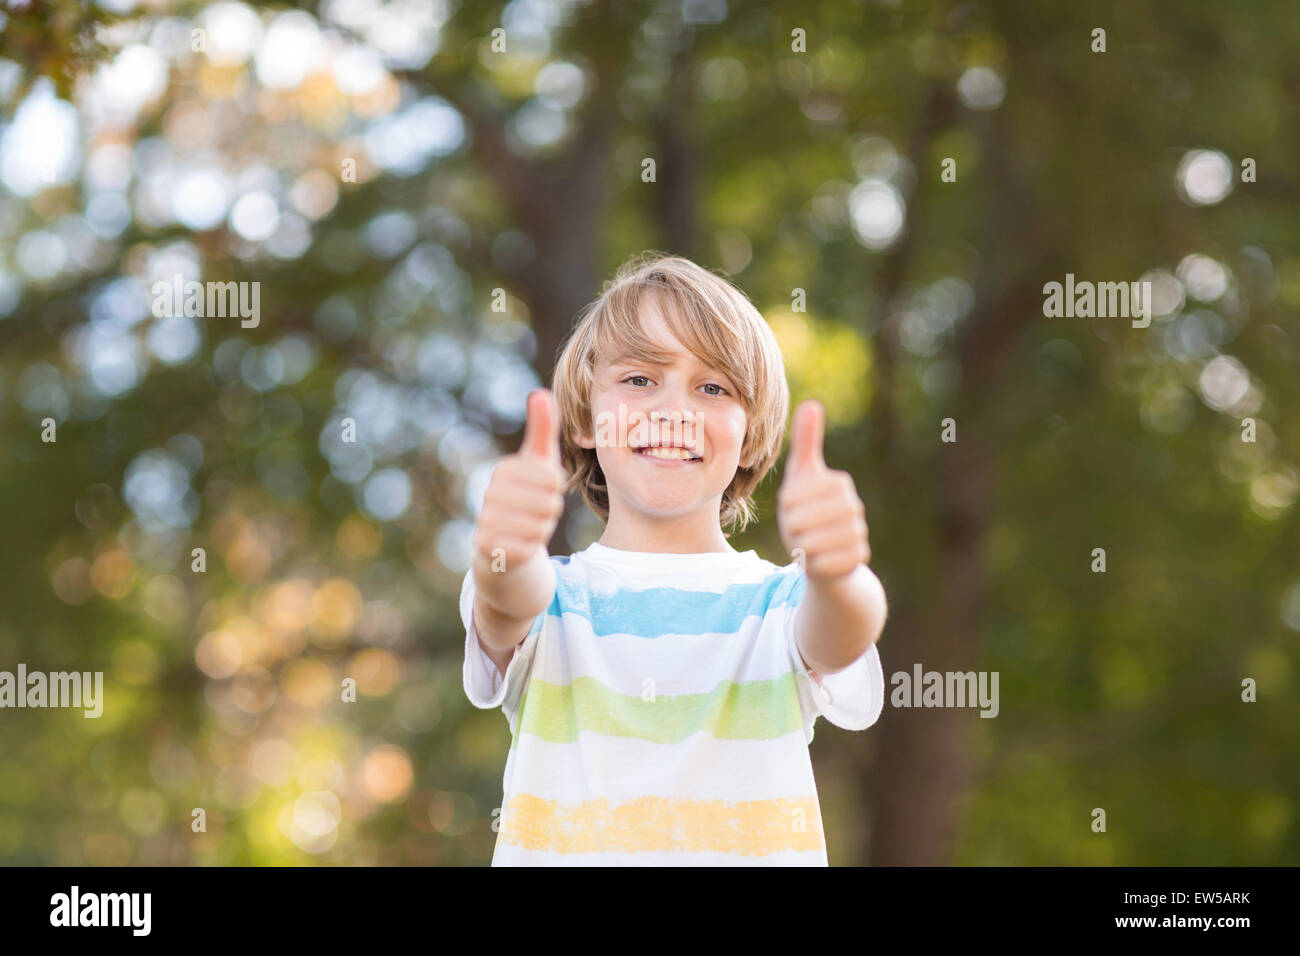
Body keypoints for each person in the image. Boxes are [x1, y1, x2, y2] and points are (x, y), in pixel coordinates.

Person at [459, 252, 888, 865]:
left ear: (750, 436)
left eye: (712, 387)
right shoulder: (550, 601)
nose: (675, 409)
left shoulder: (783, 603)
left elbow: (844, 628)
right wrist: (504, 551)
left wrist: (840, 573)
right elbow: (506, 599)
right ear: (584, 417)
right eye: (639, 379)